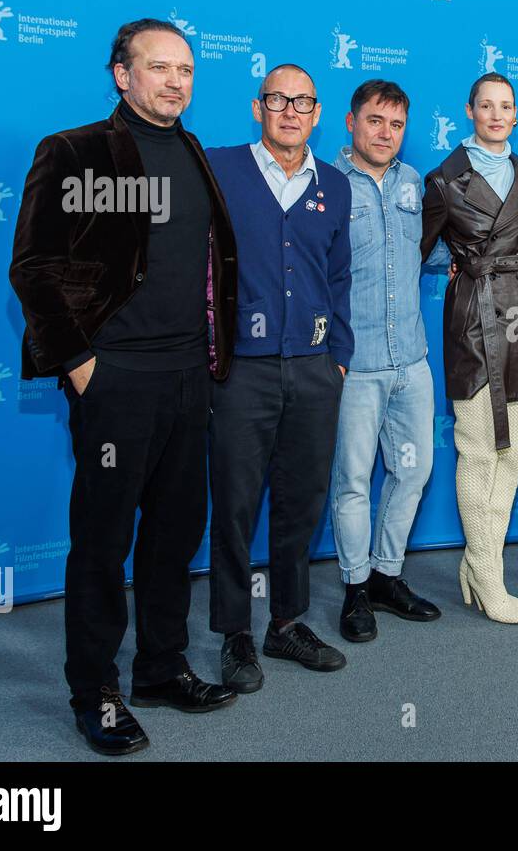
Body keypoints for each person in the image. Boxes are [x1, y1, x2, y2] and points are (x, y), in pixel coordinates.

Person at [8, 18, 238, 756]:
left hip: (186, 377)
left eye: (187, 70)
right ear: (121, 73)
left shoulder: (196, 151)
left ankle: (162, 669)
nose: (176, 81)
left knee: (175, 536)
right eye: (160, 67)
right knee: (103, 545)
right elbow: (34, 269)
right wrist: (82, 368)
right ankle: (95, 693)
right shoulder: (75, 151)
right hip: (115, 380)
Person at [205, 65, 352, 690]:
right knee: (235, 505)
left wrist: (339, 356)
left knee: (301, 502)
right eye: (277, 100)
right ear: (257, 107)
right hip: (243, 372)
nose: (290, 111)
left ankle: (286, 622)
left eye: (302, 102)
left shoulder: (336, 186)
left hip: (315, 371)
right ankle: (235, 633)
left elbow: (340, 276)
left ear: (317, 114)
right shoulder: (219, 170)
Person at [420, 72, 518, 624]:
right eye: (486, 105)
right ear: (469, 110)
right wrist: (453, 267)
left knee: (512, 452)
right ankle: (488, 574)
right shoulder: (444, 180)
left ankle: (482, 564)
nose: (496, 114)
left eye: (506, 106)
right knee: (477, 449)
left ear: (516, 114)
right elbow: (414, 250)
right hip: (472, 319)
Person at [329, 79, 443, 643]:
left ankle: (384, 574)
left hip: (413, 361)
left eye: (396, 124)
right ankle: (353, 591)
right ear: (352, 122)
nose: (386, 133)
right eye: (375, 121)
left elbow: (434, 250)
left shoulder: (413, 183)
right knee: (352, 480)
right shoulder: (325, 184)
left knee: (414, 470)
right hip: (357, 364)